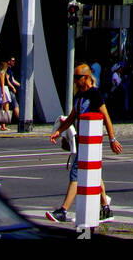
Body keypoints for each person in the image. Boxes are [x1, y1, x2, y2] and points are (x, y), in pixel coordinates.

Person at [47, 64, 122, 223]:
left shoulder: (94, 94)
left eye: (78, 77)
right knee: (94, 174)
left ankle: (63, 211)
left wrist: (112, 139)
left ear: (86, 77)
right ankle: (106, 208)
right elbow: (72, 117)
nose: (75, 80)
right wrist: (59, 131)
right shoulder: (79, 95)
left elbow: (106, 116)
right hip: (82, 141)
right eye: (74, 77)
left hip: (91, 142)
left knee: (77, 173)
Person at [5, 56, 20, 124]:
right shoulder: (7, 69)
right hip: (9, 90)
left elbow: (13, 80)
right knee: (15, 105)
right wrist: (13, 87)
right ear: (9, 61)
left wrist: (20, 85)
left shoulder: (10, 70)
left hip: (9, 90)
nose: (14, 62)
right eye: (12, 61)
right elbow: (8, 81)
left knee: (5, 106)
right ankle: (21, 121)